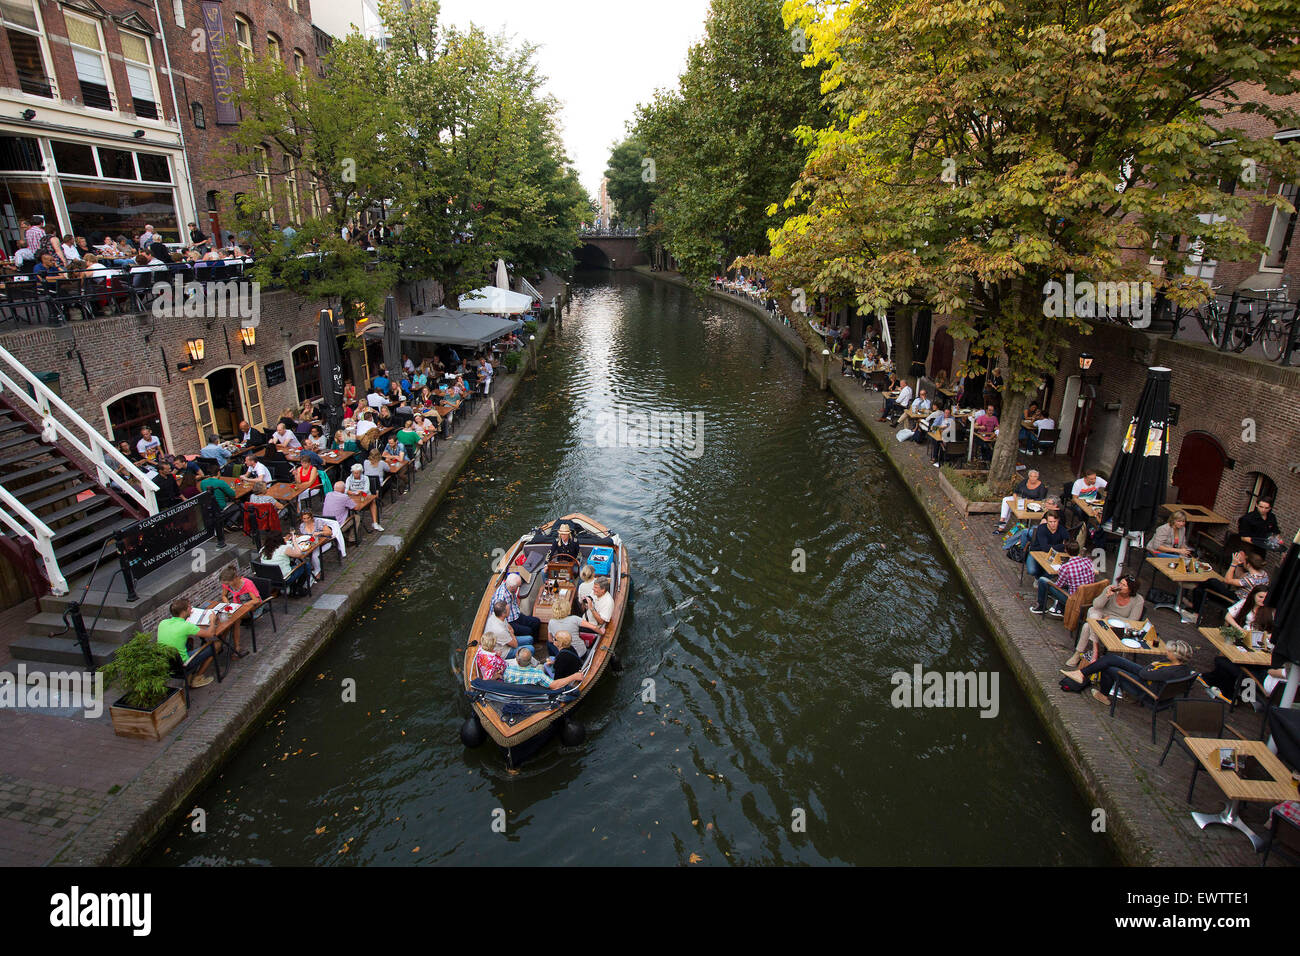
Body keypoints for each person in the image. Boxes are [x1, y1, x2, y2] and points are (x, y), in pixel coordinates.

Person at [1061, 640, 1193, 706]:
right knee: (1111, 659)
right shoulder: (1182, 668)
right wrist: (1151, 667)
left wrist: (1151, 666)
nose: (1166, 652)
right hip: (1151, 680)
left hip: (1144, 688)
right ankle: (1081, 673)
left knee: (1108, 668)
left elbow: (1144, 674)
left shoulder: (1169, 671)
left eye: (1169, 652)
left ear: (1176, 656)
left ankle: (1103, 695)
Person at [1065, 575, 1146, 667]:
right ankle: (1095, 650)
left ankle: (1078, 654)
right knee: (1093, 611)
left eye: (1124, 585)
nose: (1120, 586)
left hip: (1117, 626)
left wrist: (1111, 618)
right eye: (1120, 583)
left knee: (1087, 626)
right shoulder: (1110, 589)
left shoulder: (1138, 600)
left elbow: (1133, 620)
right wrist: (1106, 596)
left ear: (1131, 589)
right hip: (1100, 618)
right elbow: (1096, 605)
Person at [156, 598, 222, 687]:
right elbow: (211, 634)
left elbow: (182, 630)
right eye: (190, 608)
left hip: (167, 664)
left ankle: (190, 675)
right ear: (184, 612)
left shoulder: (163, 623)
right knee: (217, 644)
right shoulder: (186, 626)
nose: (191, 610)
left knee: (189, 640)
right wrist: (213, 620)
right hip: (183, 665)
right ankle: (197, 678)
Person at [1030, 540, 1095, 618]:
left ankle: (1041, 606)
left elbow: (1058, 586)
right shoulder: (1088, 561)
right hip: (1087, 596)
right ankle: (1059, 608)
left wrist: (1059, 573)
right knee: (1068, 582)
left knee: (1042, 580)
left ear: (1066, 551)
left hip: (1073, 599)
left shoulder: (1066, 567)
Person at [492, 572, 542, 644]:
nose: (519, 588)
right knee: (528, 630)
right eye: (518, 586)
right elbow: (498, 617)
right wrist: (509, 628)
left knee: (536, 622)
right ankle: (529, 644)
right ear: (512, 587)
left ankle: (535, 643)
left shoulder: (509, 587)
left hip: (516, 615)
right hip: (509, 621)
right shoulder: (501, 598)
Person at [504, 647, 583, 690]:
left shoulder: (508, 671)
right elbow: (555, 685)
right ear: (531, 659)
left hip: (517, 694)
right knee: (542, 666)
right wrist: (574, 676)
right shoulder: (538, 675)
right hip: (533, 697)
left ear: (517, 660)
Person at [1025, 511, 1070, 577]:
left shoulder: (1062, 529)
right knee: (1032, 571)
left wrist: (1062, 546)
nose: (1053, 524)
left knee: (1053, 571)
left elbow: (1068, 543)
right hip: (1036, 551)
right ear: (1046, 521)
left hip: (1052, 553)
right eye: (1050, 522)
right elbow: (1045, 548)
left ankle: (1042, 579)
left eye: (1055, 522)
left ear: (1058, 520)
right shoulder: (1041, 528)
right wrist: (1062, 546)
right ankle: (1038, 577)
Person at [297, 508, 334, 580]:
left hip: (324, 543)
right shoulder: (302, 526)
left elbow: (329, 532)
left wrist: (320, 533)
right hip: (311, 544)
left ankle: (318, 572)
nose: (306, 520)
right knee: (300, 554)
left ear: (311, 517)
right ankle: (304, 572)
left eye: (308, 518)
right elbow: (306, 538)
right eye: (304, 519)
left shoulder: (318, 522)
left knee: (314, 555)